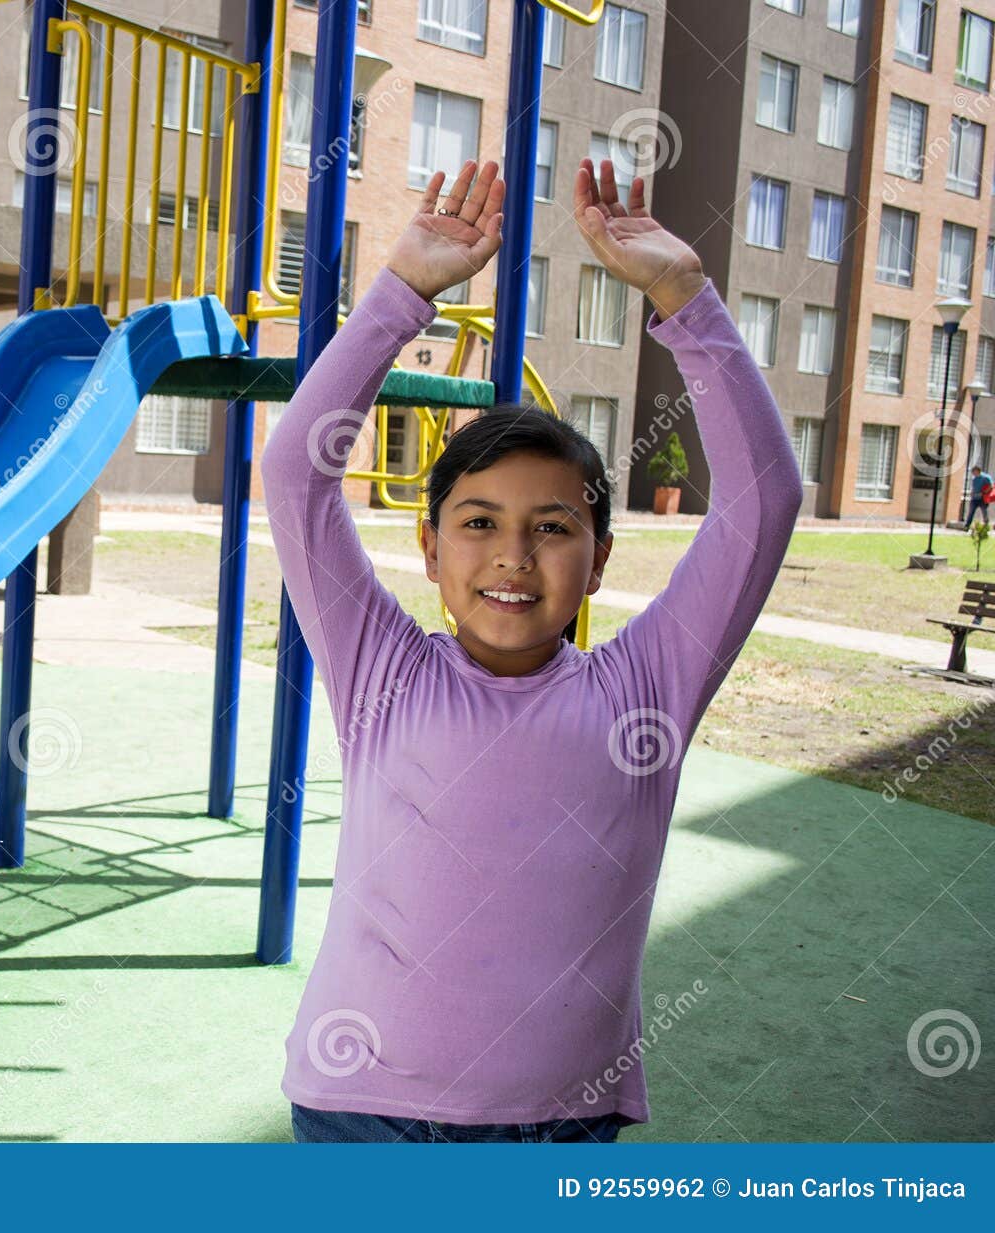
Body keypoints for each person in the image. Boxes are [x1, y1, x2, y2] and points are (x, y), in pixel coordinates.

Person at [260, 156, 803, 1144]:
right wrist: (403, 291)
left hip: (556, 1128)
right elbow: (295, 470)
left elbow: (763, 502)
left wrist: (682, 294)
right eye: (476, 522)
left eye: (553, 528)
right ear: (427, 548)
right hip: (361, 1117)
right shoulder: (386, 671)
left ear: (597, 561)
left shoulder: (648, 690)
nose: (512, 556)